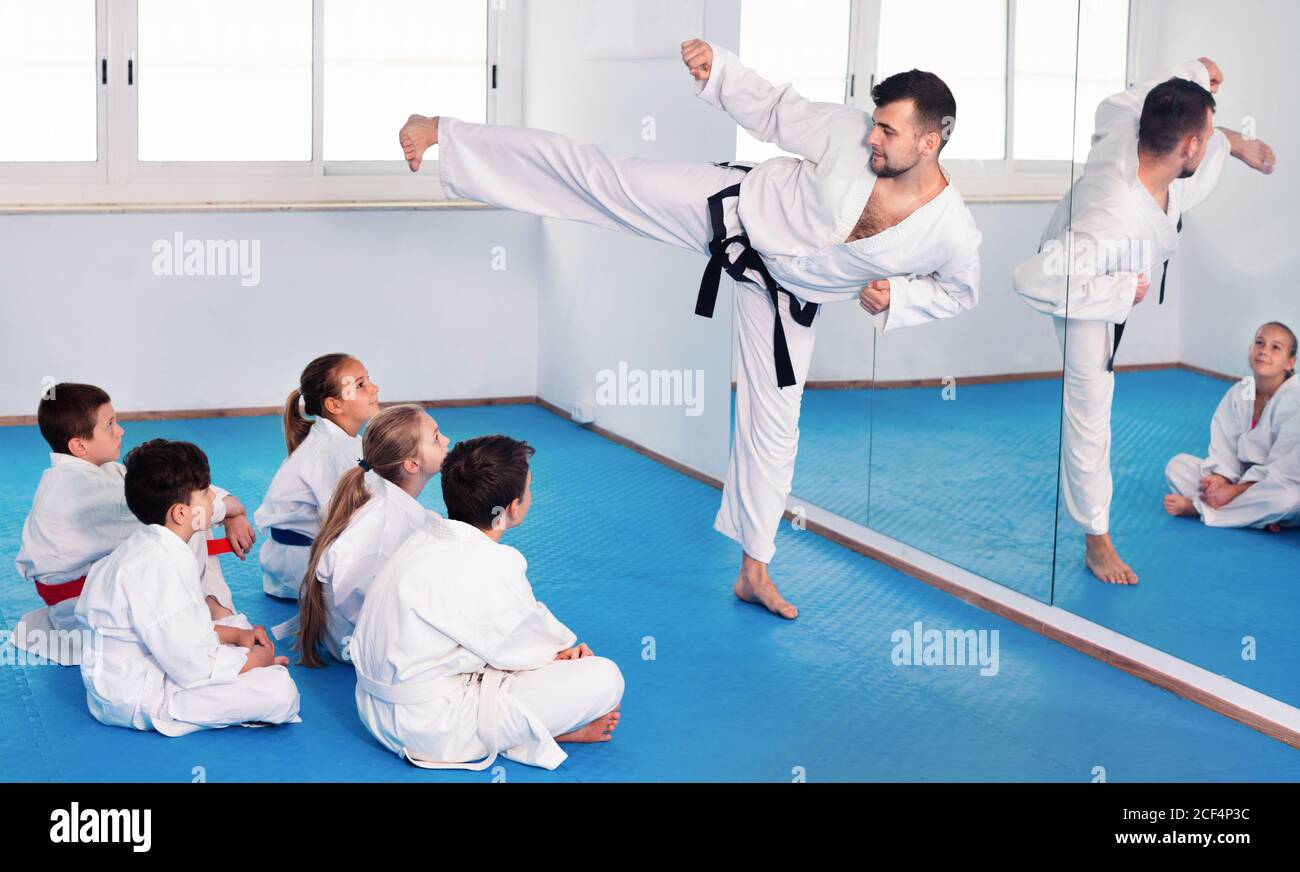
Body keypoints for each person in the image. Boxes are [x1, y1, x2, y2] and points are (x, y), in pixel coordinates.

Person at [397, 38, 982, 619]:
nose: (873, 138)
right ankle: (449, 134)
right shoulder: (847, 134)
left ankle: (754, 569)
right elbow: (778, 110)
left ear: (930, 142)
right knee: (601, 176)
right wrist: (720, 72)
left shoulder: (950, 231)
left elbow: (959, 290)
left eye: (889, 132)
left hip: (785, 294)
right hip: (732, 213)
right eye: (876, 124)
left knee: (776, 426)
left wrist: (900, 297)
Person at [1013, 56, 1277, 584]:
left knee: (1199, 174)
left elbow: (1129, 97)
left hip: (1155, 204)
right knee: (1090, 404)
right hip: (1086, 283)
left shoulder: (1126, 121)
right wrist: (1116, 291)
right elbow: (1031, 279)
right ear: (1188, 147)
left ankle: (1229, 138)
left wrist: (1196, 71)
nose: (1204, 144)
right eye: (1205, 135)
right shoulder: (1106, 221)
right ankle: (1096, 538)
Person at [351, 435, 623, 770]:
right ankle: (545, 731)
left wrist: (552, 649)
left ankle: (532, 726)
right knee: (605, 678)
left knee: (533, 657)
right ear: (512, 507)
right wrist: (559, 652)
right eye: (528, 490)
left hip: (373, 711)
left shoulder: (422, 536)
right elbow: (517, 643)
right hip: (433, 729)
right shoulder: (491, 562)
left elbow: (504, 629)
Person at [14, 383, 254, 665]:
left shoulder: (87, 471)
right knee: (186, 525)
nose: (121, 431)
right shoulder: (84, 492)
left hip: (85, 597)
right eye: (110, 425)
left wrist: (228, 511)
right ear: (79, 445)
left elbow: (169, 485)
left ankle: (208, 603)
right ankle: (209, 606)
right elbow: (178, 503)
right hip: (84, 618)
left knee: (187, 513)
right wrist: (230, 509)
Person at [76, 439, 301, 736]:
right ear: (181, 514)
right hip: (134, 697)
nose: (212, 501)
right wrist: (252, 662)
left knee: (238, 638)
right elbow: (193, 666)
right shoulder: (161, 566)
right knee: (280, 693)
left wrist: (237, 636)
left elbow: (181, 630)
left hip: (141, 668)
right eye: (206, 494)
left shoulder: (152, 547)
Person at [291, 404, 449, 666]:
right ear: (411, 463)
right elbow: (352, 592)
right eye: (435, 437)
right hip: (357, 640)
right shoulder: (384, 524)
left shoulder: (380, 494)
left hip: (353, 631)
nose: (446, 441)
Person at [253, 353, 379, 599]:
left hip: (297, 558)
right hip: (302, 568)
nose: (375, 388)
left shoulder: (345, 442)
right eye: (360, 384)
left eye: (369, 380)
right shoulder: (331, 450)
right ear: (334, 405)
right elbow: (348, 517)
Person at [1165, 322, 1299, 530]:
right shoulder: (1241, 391)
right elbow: (1224, 447)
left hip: (1282, 484)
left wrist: (1234, 491)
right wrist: (1221, 479)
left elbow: (1285, 471)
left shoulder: (1295, 399)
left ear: (1290, 363)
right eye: (1259, 343)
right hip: (1240, 479)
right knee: (1177, 467)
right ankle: (1258, 518)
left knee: (1284, 500)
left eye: (1275, 348)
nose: (1264, 351)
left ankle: (1198, 508)